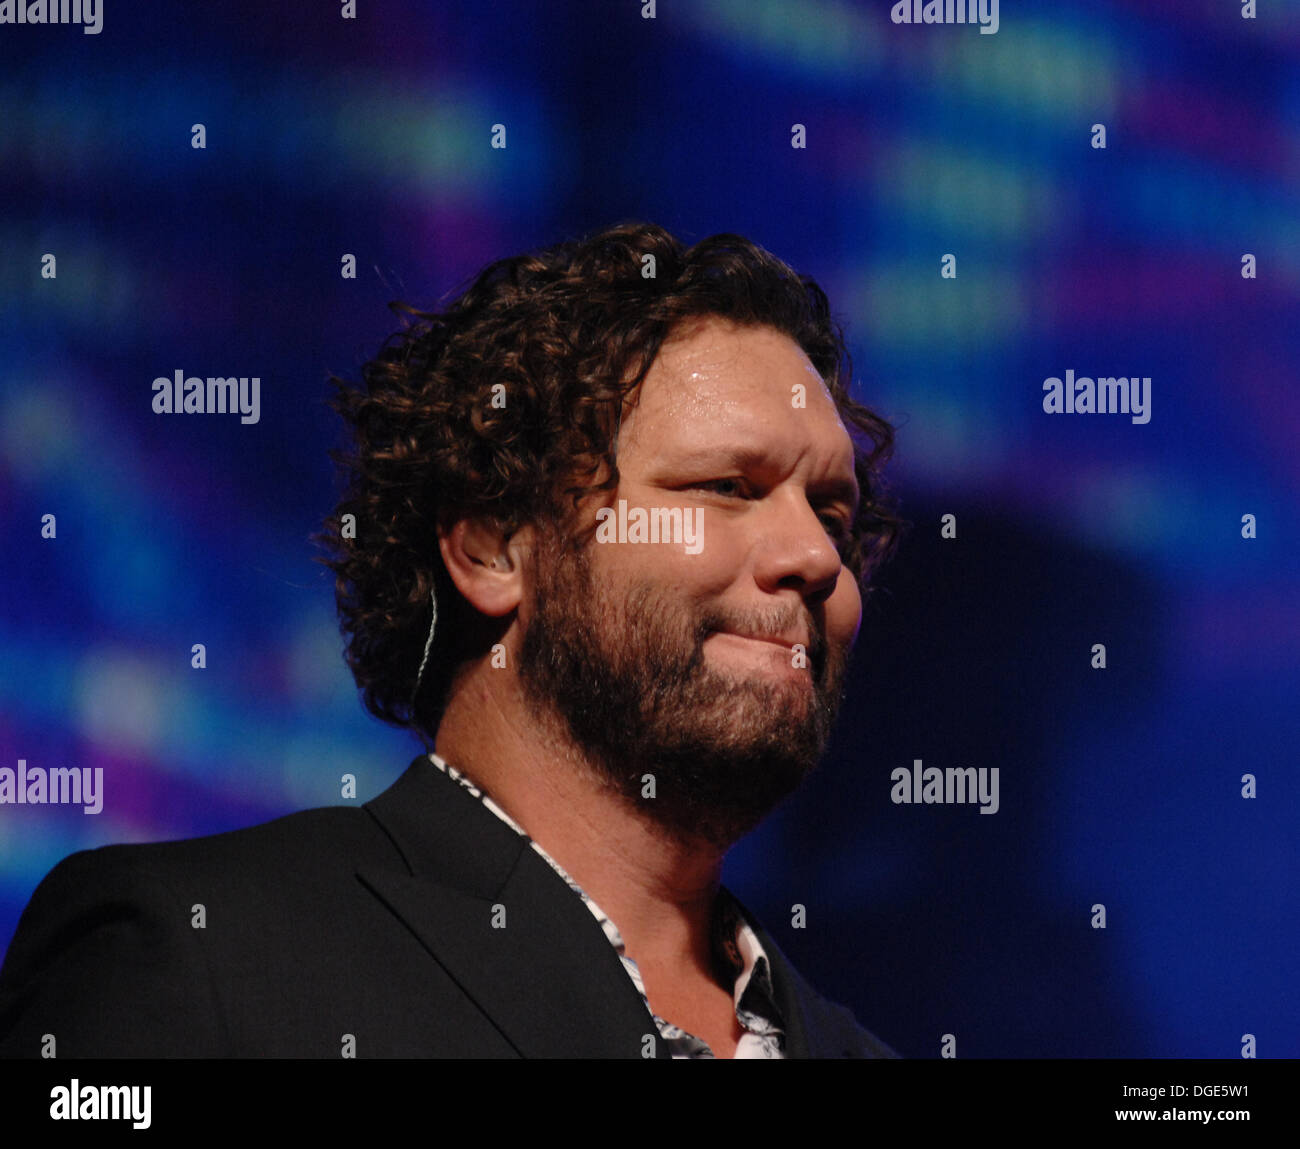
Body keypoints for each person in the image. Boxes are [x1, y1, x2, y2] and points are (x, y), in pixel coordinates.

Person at [0, 221, 904, 1058]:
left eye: (833, 511)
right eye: (728, 487)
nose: (815, 555)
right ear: (490, 545)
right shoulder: (195, 960)